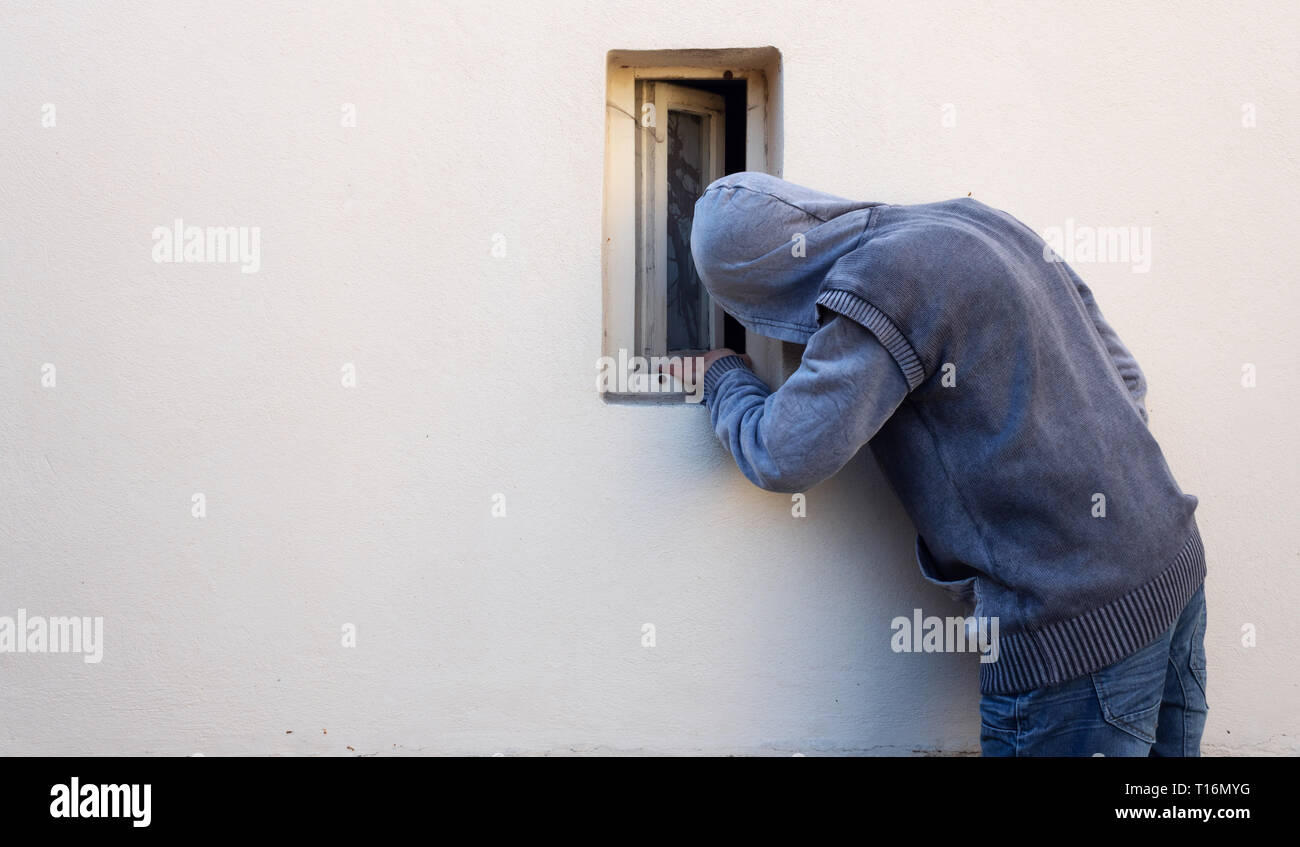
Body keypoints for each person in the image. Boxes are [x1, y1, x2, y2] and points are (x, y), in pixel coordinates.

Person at [672, 172, 1207, 757]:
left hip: (1074, 627)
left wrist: (722, 375)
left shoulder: (879, 286)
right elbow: (1127, 379)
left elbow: (783, 454)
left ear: (761, 288)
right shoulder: (974, 219)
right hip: (1170, 562)